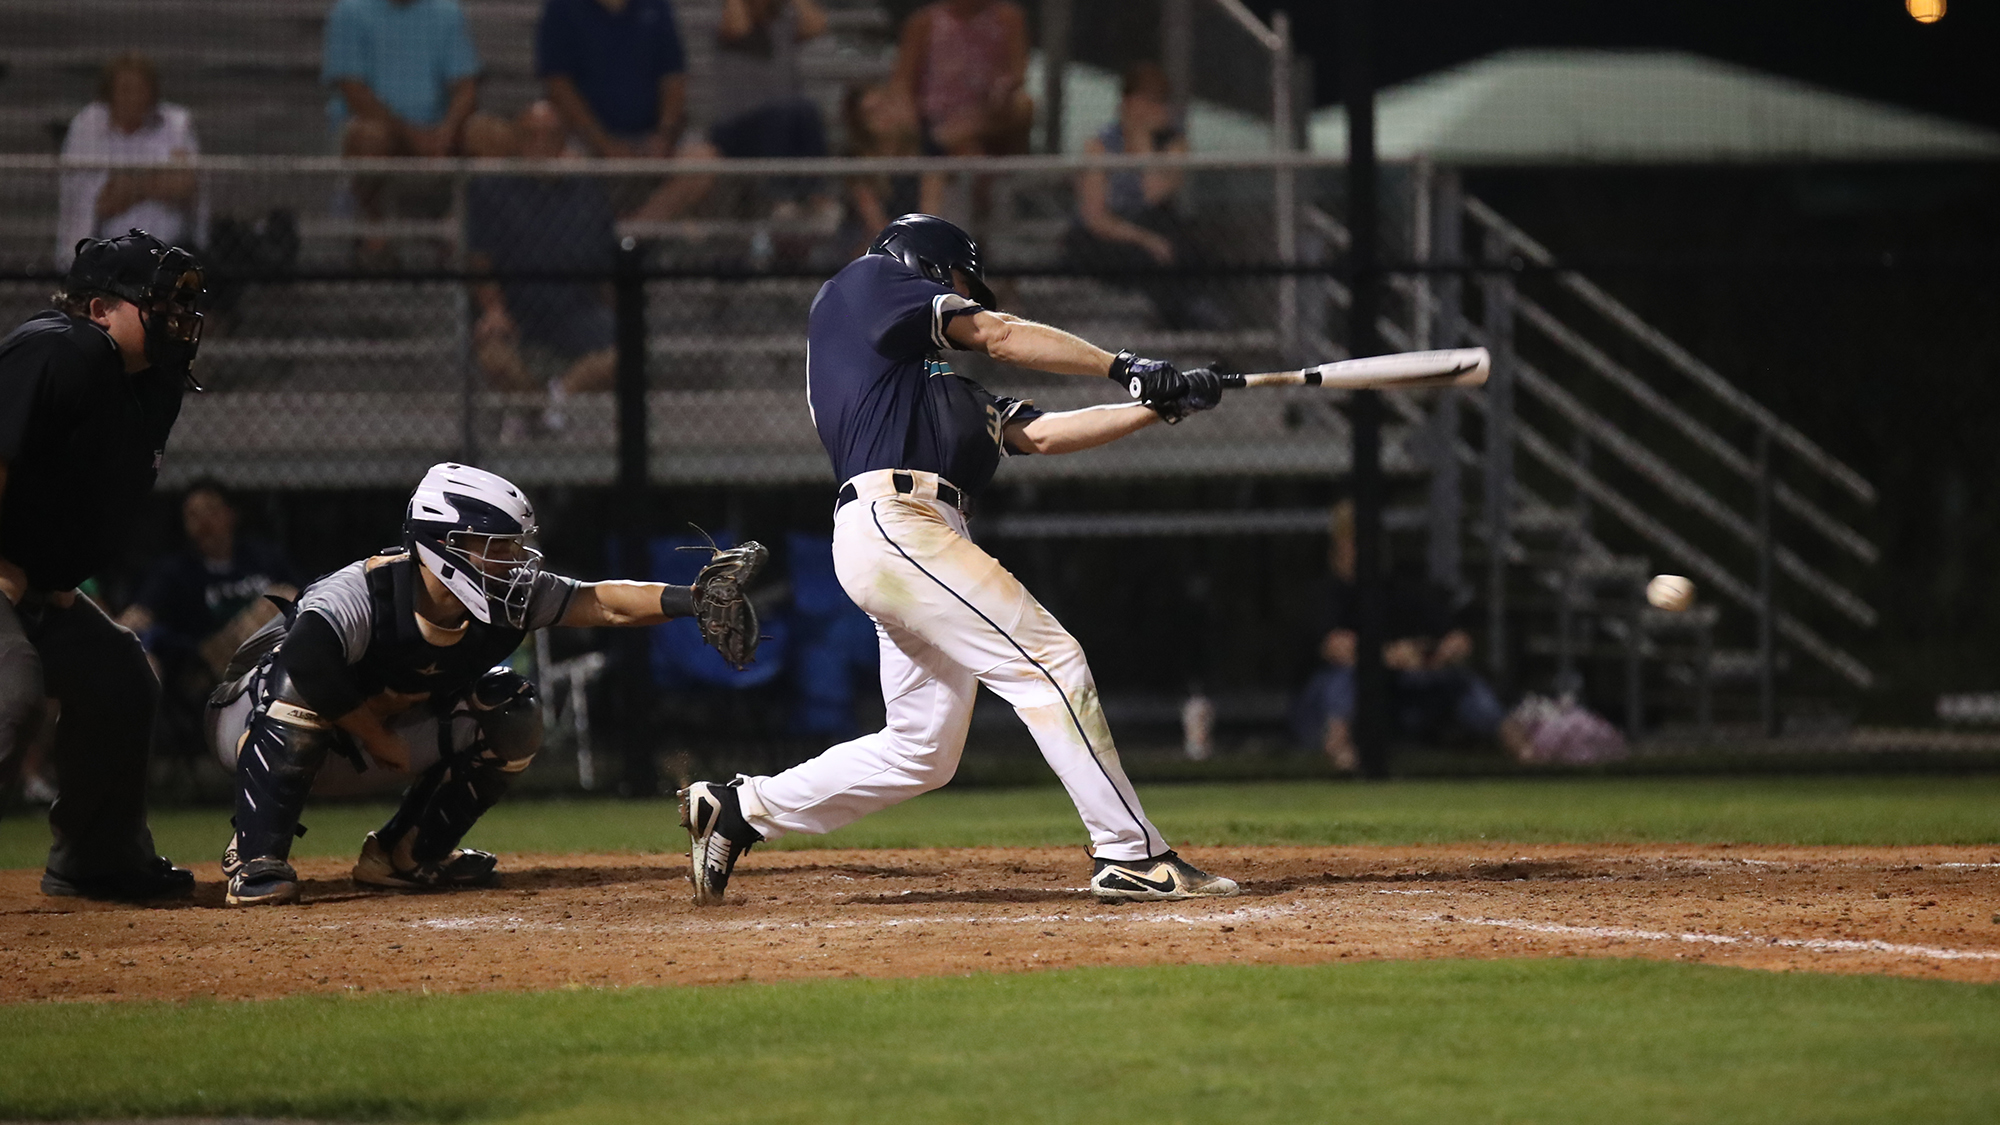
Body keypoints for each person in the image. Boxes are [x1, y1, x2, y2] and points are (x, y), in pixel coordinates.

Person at [678, 214, 1239, 906]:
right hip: (897, 522)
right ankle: (1130, 852)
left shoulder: (926, 384)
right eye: (962, 282)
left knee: (923, 749)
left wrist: (1163, 405)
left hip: (911, 537)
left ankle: (741, 808)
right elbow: (997, 334)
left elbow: (1041, 433)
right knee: (1051, 660)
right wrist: (1123, 366)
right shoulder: (868, 282)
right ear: (929, 264)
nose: (969, 297)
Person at [207, 462, 764, 907]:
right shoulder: (364, 591)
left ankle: (405, 857)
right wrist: (375, 735)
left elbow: (600, 601)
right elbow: (307, 661)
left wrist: (690, 600)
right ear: (442, 545)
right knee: (296, 680)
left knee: (511, 708)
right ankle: (257, 857)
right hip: (253, 726)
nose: (514, 562)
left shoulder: (505, 600)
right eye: (497, 548)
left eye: (516, 548)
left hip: (374, 743)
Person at [0, 228, 207, 900]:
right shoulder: (61, 347)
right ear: (99, 309)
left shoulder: (152, 385)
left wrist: (52, 576)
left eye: (182, 306)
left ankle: (95, 858)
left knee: (119, 678)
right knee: (10, 692)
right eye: (157, 304)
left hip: (34, 585)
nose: (176, 318)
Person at [1292, 501, 1526, 769]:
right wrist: (1392, 656)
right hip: (1324, 707)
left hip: (1395, 699)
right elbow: (1336, 648)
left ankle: (1524, 749)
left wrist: (1440, 654)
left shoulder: (1400, 589)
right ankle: (1338, 749)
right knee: (1345, 676)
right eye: (1354, 541)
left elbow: (1458, 639)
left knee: (1459, 681)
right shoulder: (1323, 595)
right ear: (1338, 546)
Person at [461, 103, 618, 434]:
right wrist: (493, 309)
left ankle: (555, 400)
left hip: (576, 308)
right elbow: (479, 260)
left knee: (627, 350)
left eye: (551, 136)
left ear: (564, 142)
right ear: (516, 140)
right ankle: (538, 411)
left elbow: (605, 262)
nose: (541, 144)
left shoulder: (586, 191)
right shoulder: (490, 189)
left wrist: (618, 308)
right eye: (531, 135)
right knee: (494, 359)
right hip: (515, 308)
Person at [118, 482, 299, 758]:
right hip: (206, 663)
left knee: (287, 597)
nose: (203, 522)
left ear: (231, 514)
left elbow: (306, 595)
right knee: (276, 601)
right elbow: (139, 615)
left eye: (211, 511)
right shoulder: (176, 572)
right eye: (193, 515)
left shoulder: (262, 558)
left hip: (275, 655)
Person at [630, 0, 834, 223]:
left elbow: (817, 25)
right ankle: (779, 198)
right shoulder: (724, 16)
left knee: (805, 110)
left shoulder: (782, 20)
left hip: (781, 126)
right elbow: (738, 28)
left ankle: (817, 197)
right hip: (733, 129)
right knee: (779, 116)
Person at [1065, 61, 1222, 329]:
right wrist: (1146, 240)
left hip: (1153, 222)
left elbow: (1154, 194)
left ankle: (1191, 316)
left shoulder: (1173, 145)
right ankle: (1179, 318)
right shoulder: (1100, 146)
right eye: (1148, 101)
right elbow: (1095, 217)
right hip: (1109, 233)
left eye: (1160, 102)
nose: (1157, 109)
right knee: (1146, 256)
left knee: (1187, 246)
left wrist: (1142, 141)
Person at [56, 54, 202, 271]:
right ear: (109, 93)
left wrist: (132, 187)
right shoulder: (88, 125)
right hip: (108, 256)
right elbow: (102, 203)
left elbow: (184, 185)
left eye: (141, 89)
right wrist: (157, 183)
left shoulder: (175, 122)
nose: (134, 98)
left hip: (170, 255)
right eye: (126, 90)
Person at [890, 0, 1032, 216]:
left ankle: (995, 183)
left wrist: (1002, 89)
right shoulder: (925, 22)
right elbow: (902, 82)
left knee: (1024, 106)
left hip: (989, 115)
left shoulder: (1007, 18)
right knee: (960, 148)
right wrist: (908, 125)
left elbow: (1017, 72)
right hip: (936, 118)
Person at [537, 0, 690, 159]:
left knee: (698, 157)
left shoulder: (656, 5)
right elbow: (558, 85)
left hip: (651, 140)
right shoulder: (562, 8)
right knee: (564, 161)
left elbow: (674, 77)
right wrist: (603, 144)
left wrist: (663, 138)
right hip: (581, 140)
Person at [840, 81, 922, 254]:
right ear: (861, 122)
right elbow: (875, 223)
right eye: (872, 112)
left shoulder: (922, 152)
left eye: (885, 106)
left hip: (918, 237)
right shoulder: (857, 162)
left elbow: (929, 212)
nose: (883, 116)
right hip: (874, 239)